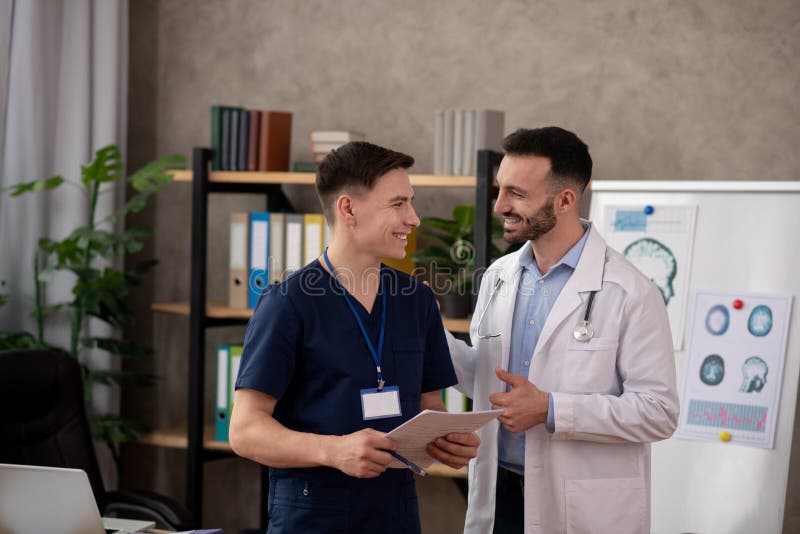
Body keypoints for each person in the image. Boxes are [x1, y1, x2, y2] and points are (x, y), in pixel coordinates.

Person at [228, 141, 480, 533]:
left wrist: (447, 440)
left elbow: (430, 407)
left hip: (395, 512)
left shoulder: (416, 301)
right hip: (313, 513)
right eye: (398, 204)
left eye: (410, 202)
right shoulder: (288, 303)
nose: (413, 219)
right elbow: (244, 431)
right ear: (348, 209)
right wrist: (334, 450)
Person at [441, 127, 679, 533]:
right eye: (500, 189)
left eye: (516, 193)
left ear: (566, 200)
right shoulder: (500, 275)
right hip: (499, 496)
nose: (499, 206)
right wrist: (429, 334)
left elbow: (659, 412)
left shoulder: (630, 291)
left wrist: (551, 409)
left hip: (579, 509)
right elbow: (487, 379)